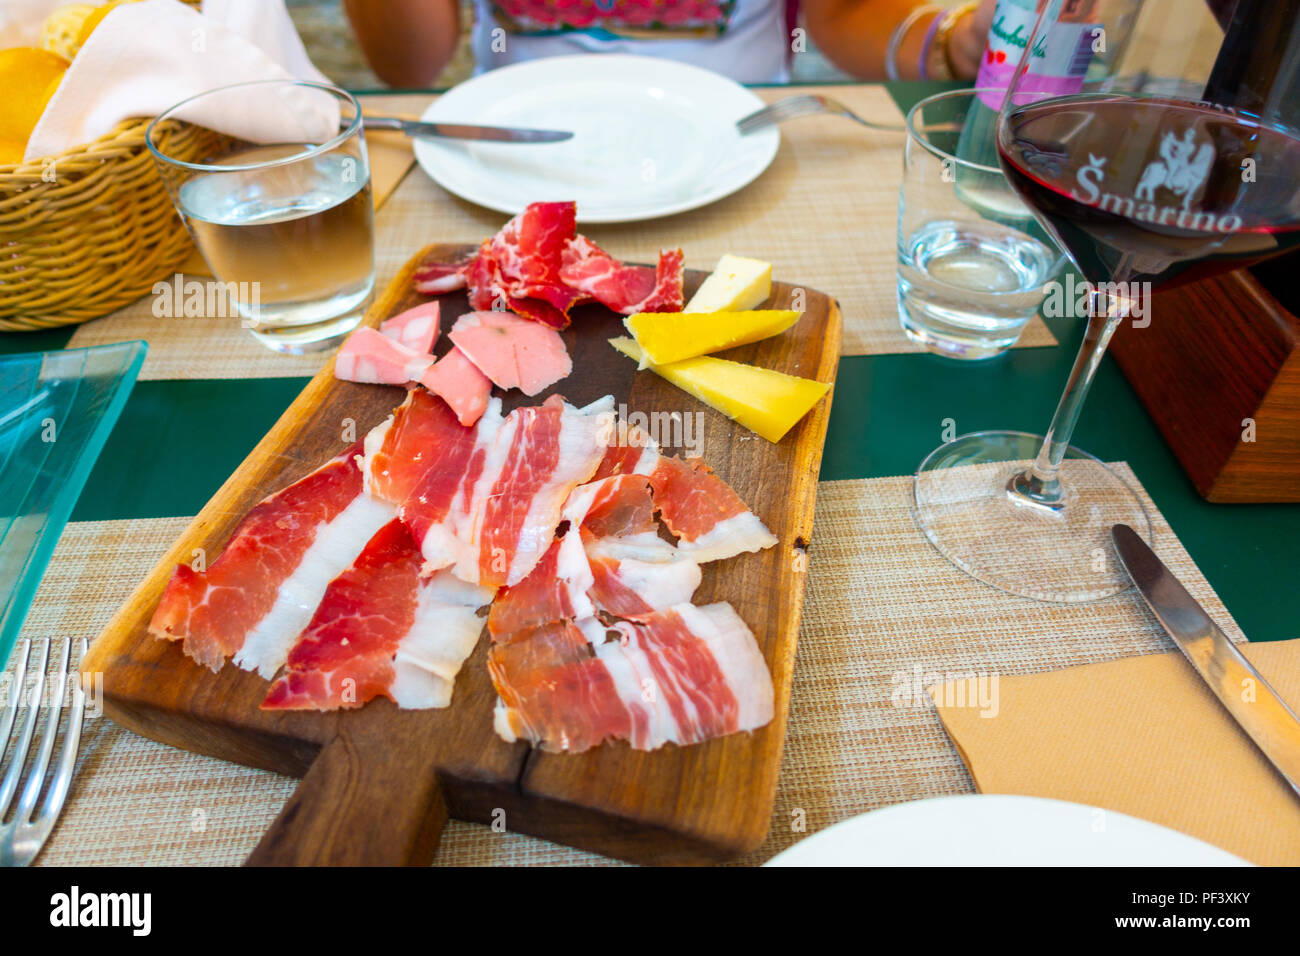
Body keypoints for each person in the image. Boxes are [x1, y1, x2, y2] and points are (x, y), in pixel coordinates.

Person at [344, 0, 995, 87]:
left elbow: (840, 16)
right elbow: (408, 64)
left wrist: (949, 45)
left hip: (746, 139)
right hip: (518, 145)